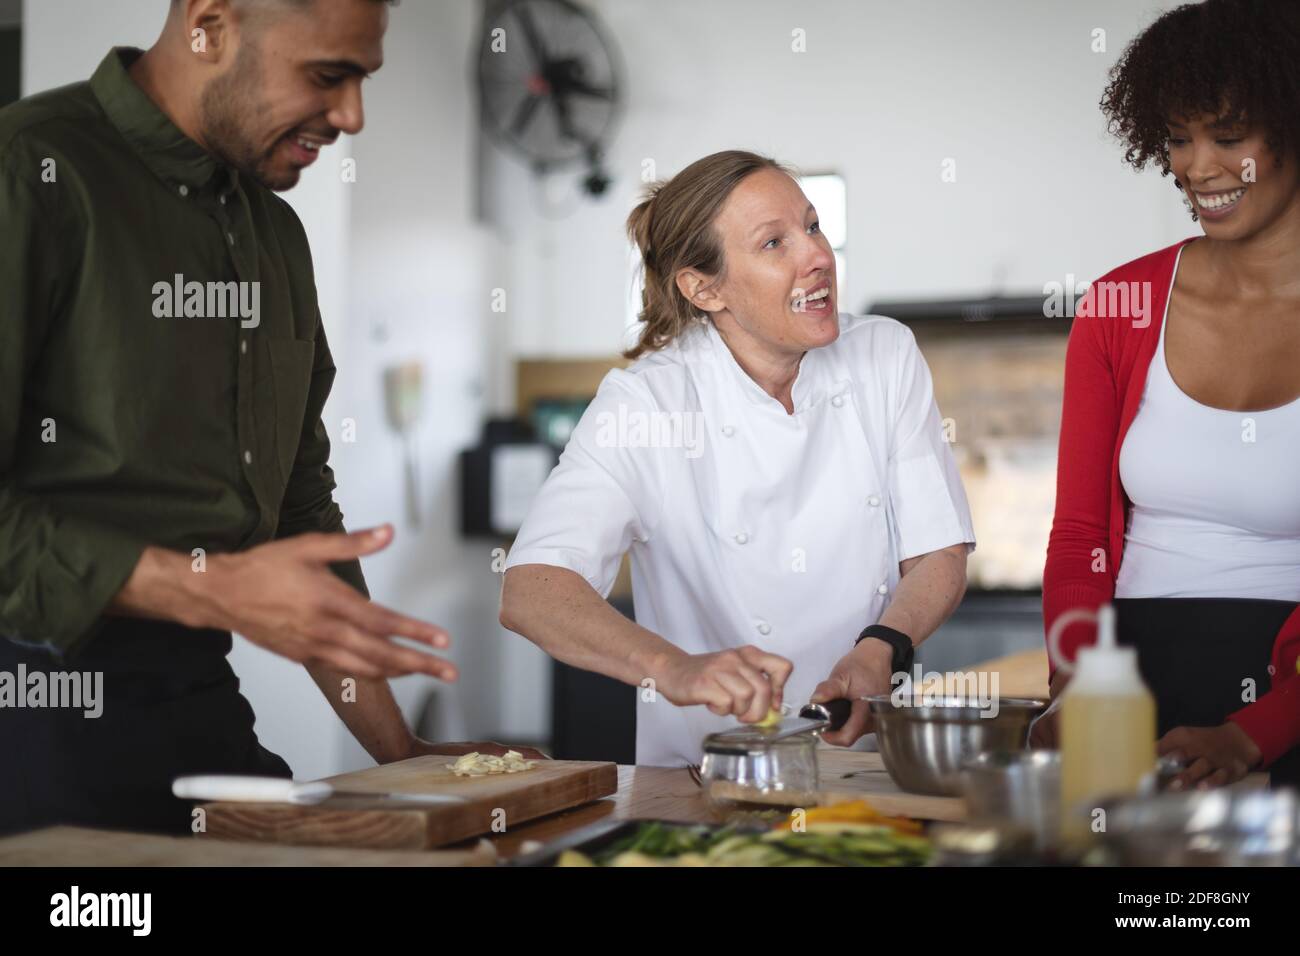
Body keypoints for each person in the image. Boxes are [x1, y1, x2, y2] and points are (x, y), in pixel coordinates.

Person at [0, 0, 536, 837]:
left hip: (196, 704)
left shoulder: (274, 234)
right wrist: (210, 586)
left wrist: (404, 753)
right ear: (210, 24)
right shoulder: (28, 167)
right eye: (328, 76)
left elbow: (297, 513)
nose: (352, 116)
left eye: (362, 79)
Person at [500, 150, 975, 767]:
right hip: (705, 780)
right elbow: (532, 590)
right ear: (704, 288)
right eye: (774, 243)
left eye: (812, 226)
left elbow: (938, 549)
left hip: (865, 764)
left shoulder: (884, 354)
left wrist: (882, 645)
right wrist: (672, 668)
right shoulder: (648, 402)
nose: (816, 256)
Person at [1039, 0, 1300, 789]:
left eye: (1227, 136)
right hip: (1134, 685)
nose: (1196, 166)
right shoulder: (1121, 304)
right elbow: (1080, 531)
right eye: (1178, 139)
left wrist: (1256, 733)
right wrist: (1078, 687)